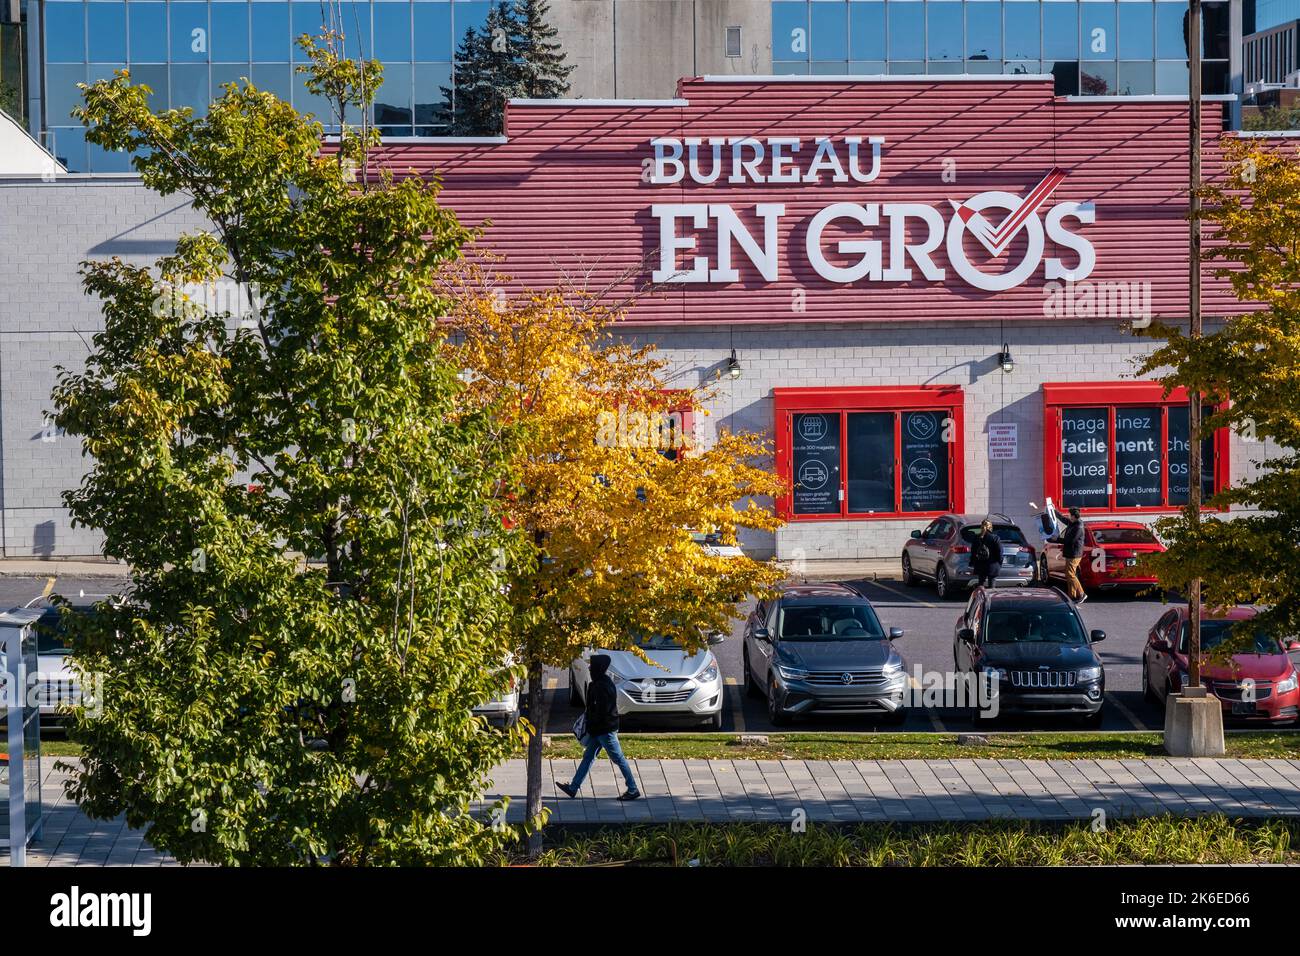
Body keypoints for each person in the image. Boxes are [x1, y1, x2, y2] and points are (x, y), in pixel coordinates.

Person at [558, 654, 641, 801]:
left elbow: (601, 711)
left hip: (604, 730)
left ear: (597, 668)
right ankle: (573, 787)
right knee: (588, 757)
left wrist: (591, 725)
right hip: (599, 730)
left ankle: (633, 788)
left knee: (618, 758)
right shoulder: (602, 682)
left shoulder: (601, 686)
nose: (589, 669)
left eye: (592, 666)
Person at [1058, 506, 1087, 603]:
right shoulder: (1073, 523)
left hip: (1074, 554)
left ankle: (1082, 594)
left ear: (1074, 516)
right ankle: (1072, 596)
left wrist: (1056, 539)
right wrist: (1052, 510)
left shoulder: (1078, 526)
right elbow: (1063, 519)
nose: (1068, 516)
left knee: (1070, 574)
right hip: (1071, 553)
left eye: (1069, 514)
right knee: (1069, 574)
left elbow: (1070, 541)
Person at [971, 518, 1003, 589]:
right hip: (992, 565)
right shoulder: (995, 538)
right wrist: (999, 563)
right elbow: (1000, 553)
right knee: (992, 587)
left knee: (980, 584)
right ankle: (990, 599)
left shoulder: (976, 538)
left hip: (980, 565)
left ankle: (980, 599)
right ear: (990, 527)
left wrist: (973, 563)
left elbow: (973, 552)